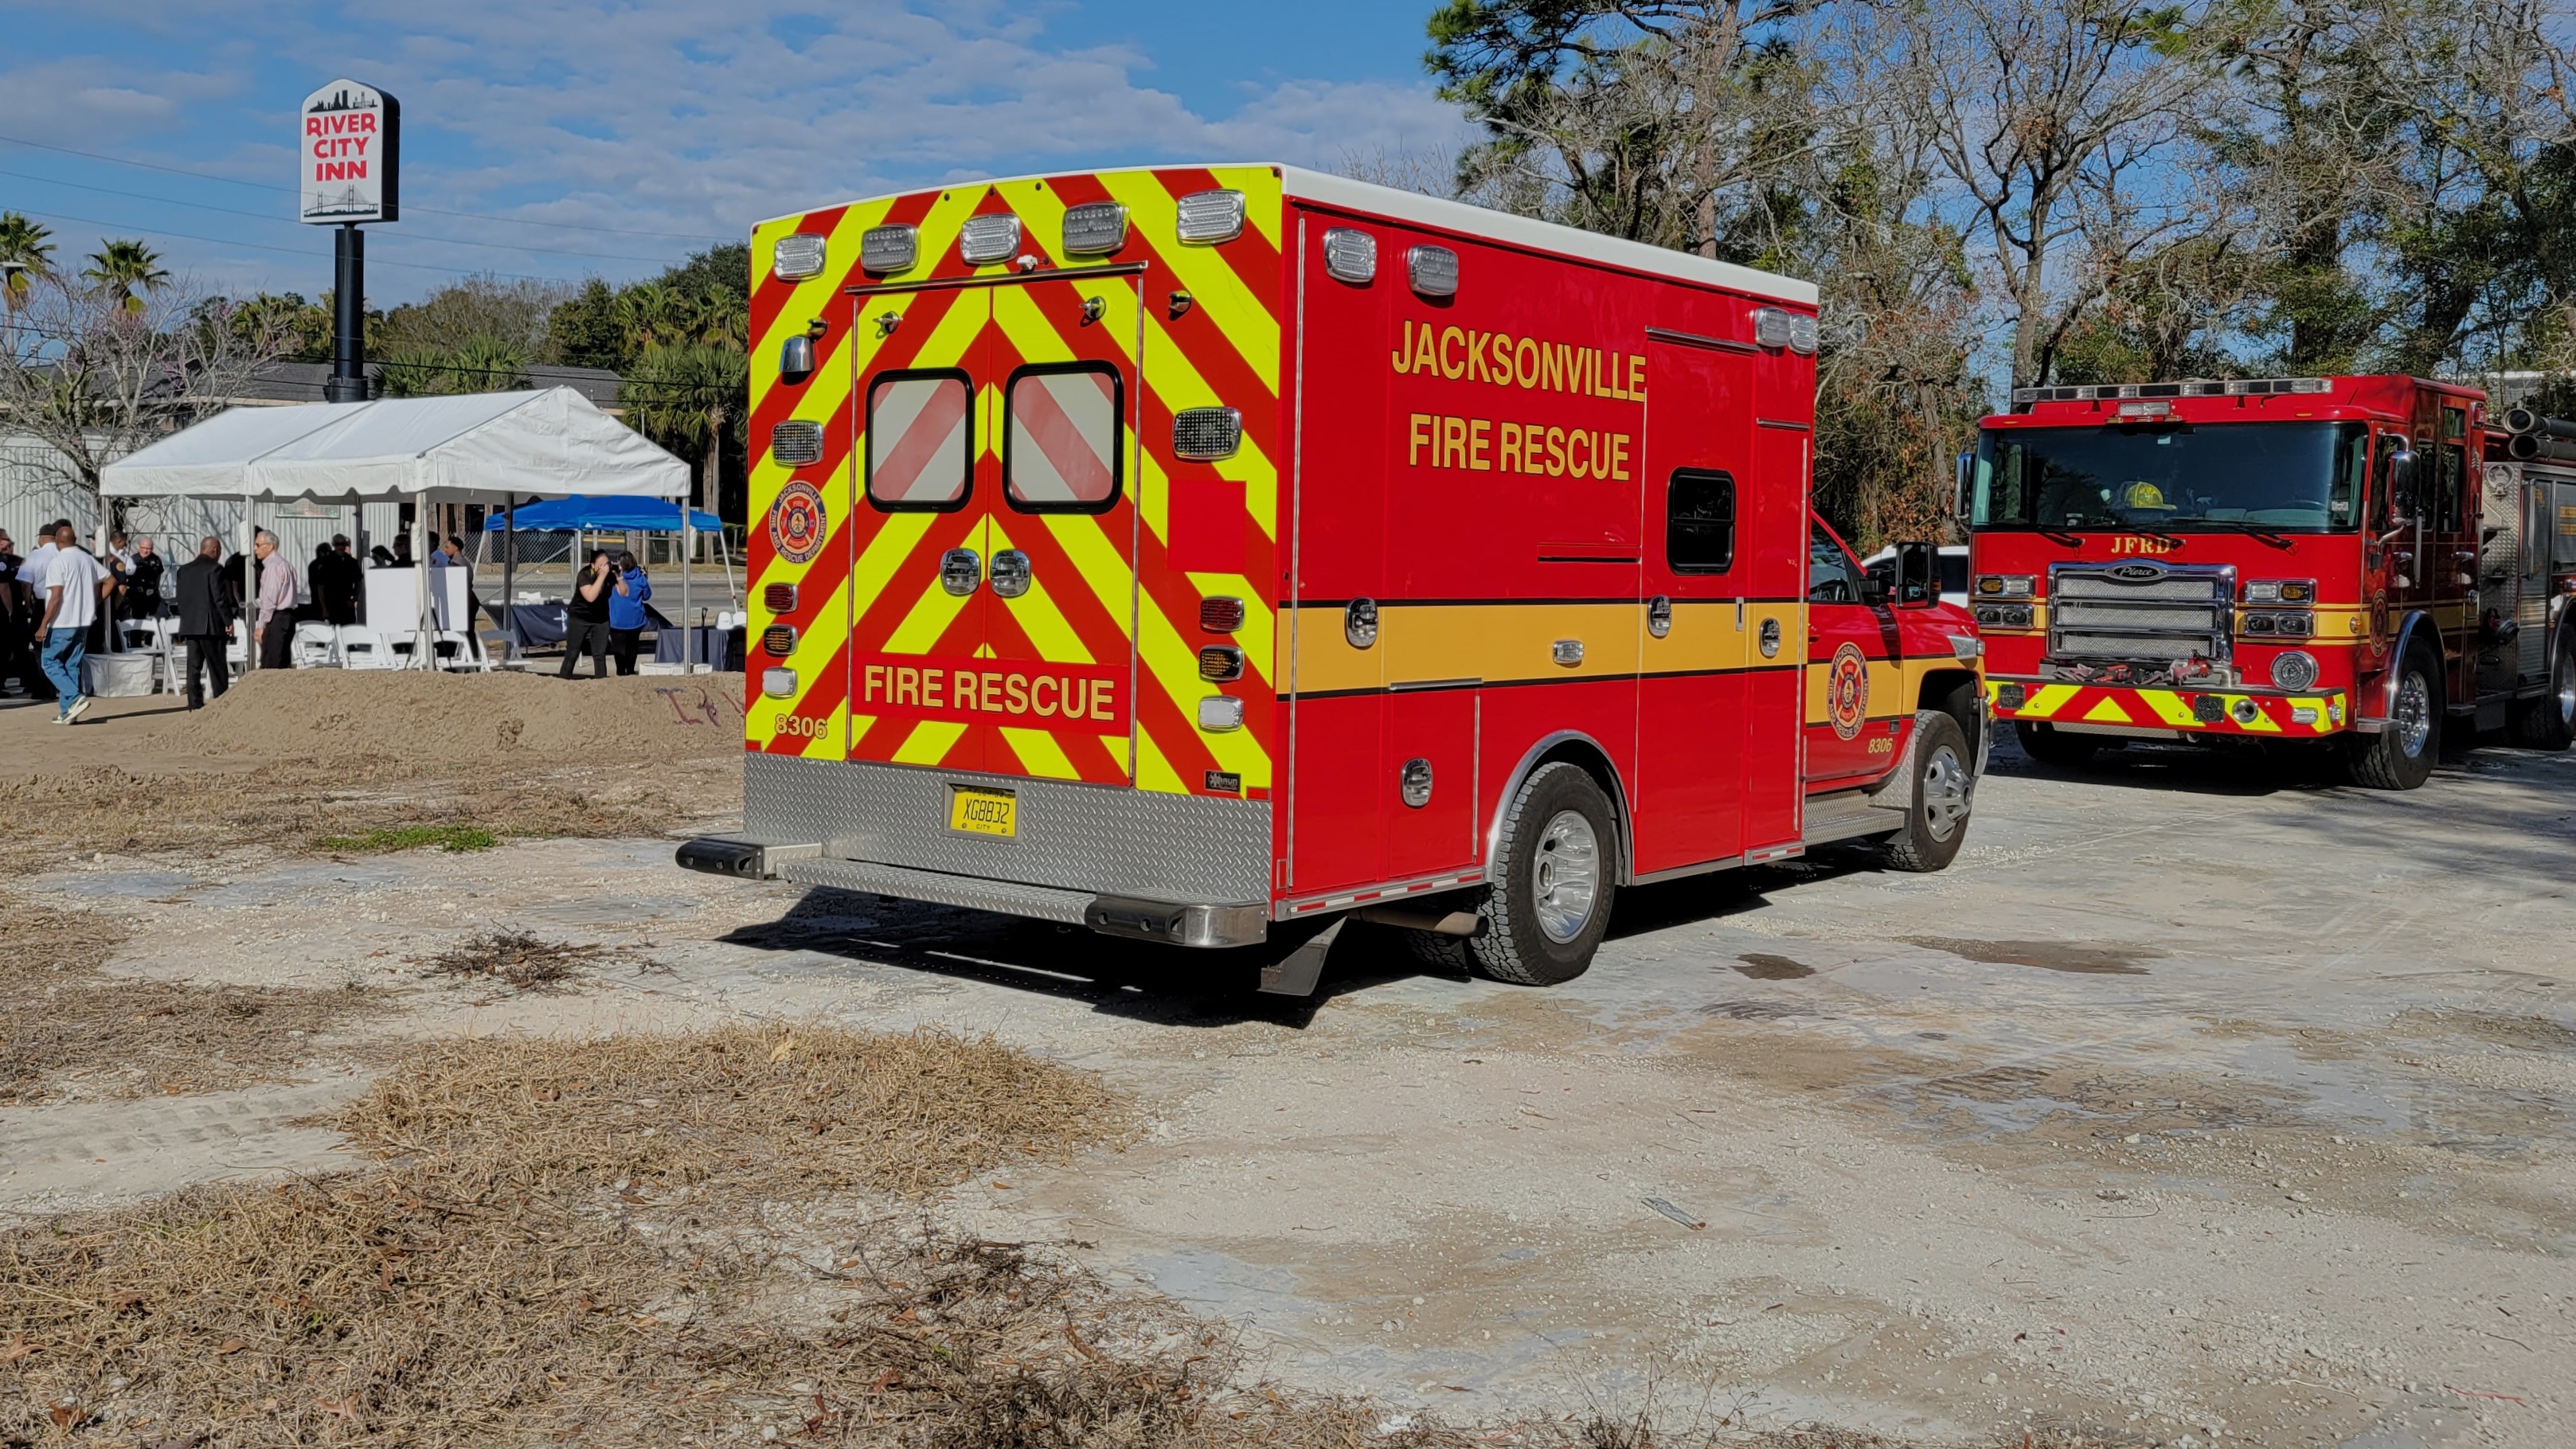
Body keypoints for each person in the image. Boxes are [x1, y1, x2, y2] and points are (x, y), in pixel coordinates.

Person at [36, 521, 108, 724]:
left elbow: (56, 596)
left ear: (58, 542)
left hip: (61, 622)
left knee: (49, 662)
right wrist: (95, 602)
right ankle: (68, 711)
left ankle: (75, 697)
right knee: (72, 664)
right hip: (83, 621)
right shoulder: (87, 559)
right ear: (74, 540)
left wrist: (43, 624)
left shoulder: (58, 563)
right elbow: (109, 580)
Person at [173, 536, 235, 709]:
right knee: (217, 667)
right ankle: (222, 703)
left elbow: (181, 597)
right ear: (214, 550)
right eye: (220, 550)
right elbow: (219, 598)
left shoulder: (183, 570)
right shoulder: (215, 569)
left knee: (193, 668)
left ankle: (194, 705)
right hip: (210, 626)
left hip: (190, 624)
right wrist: (228, 620)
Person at [17, 521, 64, 704]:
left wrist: (28, 604)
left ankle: (43, 686)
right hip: (63, 604)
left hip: (43, 603)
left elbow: (25, 584)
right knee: (60, 644)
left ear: (41, 538)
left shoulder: (34, 556)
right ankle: (59, 685)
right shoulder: (63, 554)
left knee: (38, 646)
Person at [558, 550, 614, 680]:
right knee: (572, 653)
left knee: (600, 654)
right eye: (601, 564)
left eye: (607, 564)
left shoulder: (610, 575)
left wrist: (621, 577)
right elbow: (590, 597)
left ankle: (601, 683)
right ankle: (562, 681)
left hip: (600, 618)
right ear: (593, 565)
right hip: (579, 617)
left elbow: (624, 592)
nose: (605, 567)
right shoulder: (584, 575)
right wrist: (601, 577)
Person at [252, 529, 299, 671]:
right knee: (283, 663)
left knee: (271, 665)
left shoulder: (273, 566)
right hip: (287, 617)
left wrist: (261, 625)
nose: (255, 549)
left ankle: (268, 693)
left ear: (270, 546)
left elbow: (270, 598)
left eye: (258, 545)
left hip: (276, 618)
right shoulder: (286, 565)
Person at [608, 549, 651, 676]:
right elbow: (647, 596)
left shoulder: (613, 578)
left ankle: (621, 671)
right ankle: (631, 670)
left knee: (618, 648)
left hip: (617, 620)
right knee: (632, 646)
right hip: (635, 620)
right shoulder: (640, 579)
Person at [315, 536, 361, 626]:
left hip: (347, 606)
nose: (340, 547)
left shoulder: (351, 562)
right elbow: (320, 587)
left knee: (349, 632)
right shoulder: (326, 562)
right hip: (332, 606)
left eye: (343, 544)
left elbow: (359, 580)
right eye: (337, 544)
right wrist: (324, 608)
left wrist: (355, 599)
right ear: (334, 545)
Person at [119, 536, 165, 621]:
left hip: (152, 595)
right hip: (137, 597)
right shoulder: (133, 560)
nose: (146, 551)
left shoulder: (156, 560)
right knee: (139, 621)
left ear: (152, 549)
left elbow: (158, 574)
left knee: (163, 615)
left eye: (148, 548)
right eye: (143, 548)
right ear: (139, 547)